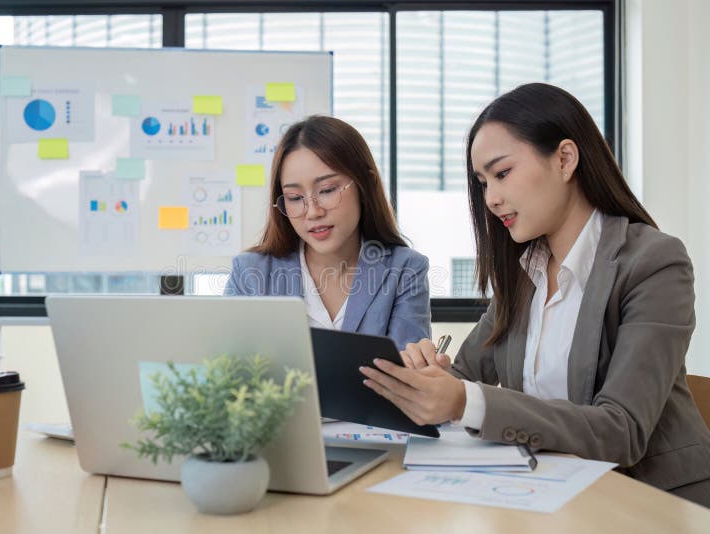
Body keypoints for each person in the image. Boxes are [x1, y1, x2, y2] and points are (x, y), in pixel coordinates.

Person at [360, 83, 710, 506]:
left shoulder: (653, 262)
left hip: (651, 502)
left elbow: (622, 431)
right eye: (482, 182)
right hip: (549, 494)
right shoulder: (524, 273)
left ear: (565, 158)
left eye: (502, 173)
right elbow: (465, 376)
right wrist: (427, 378)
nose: (490, 198)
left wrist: (461, 399)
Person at [225, 115, 431, 349]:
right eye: (295, 197)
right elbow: (227, 370)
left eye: (327, 190)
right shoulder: (249, 274)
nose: (312, 212)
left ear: (366, 185)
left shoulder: (405, 270)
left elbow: (408, 375)